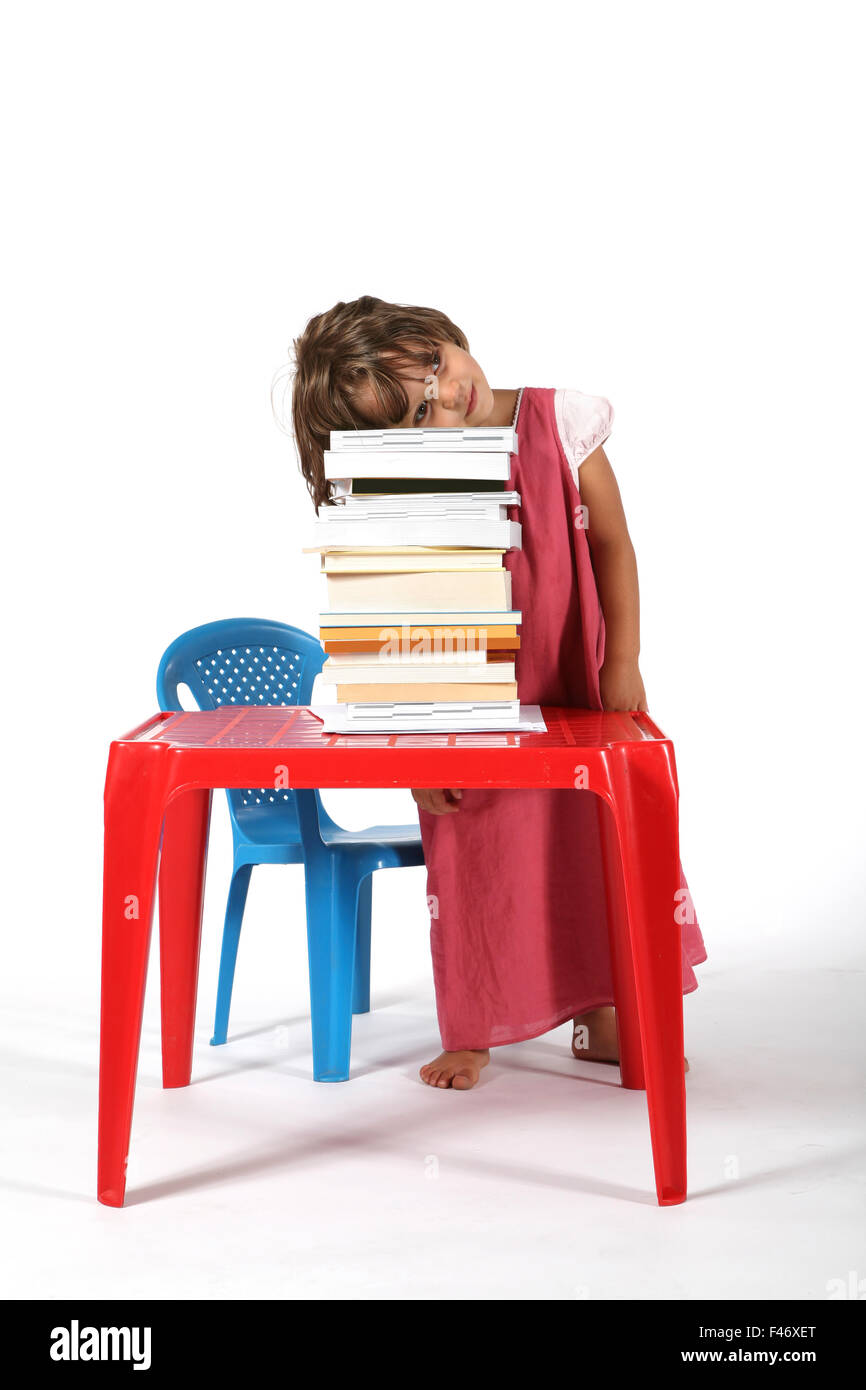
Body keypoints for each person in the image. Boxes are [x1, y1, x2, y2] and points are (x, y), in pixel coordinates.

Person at [288, 294, 706, 1090]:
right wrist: (411, 745)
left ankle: (606, 1011)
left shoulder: (561, 422)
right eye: (417, 415)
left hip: (575, 676)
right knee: (476, 845)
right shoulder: (409, 482)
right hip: (463, 692)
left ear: (447, 336)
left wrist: (625, 655)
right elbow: (394, 616)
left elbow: (614, 541)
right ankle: (475, 1024)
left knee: (593, 838)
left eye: (437, 367)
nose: (447, 396)